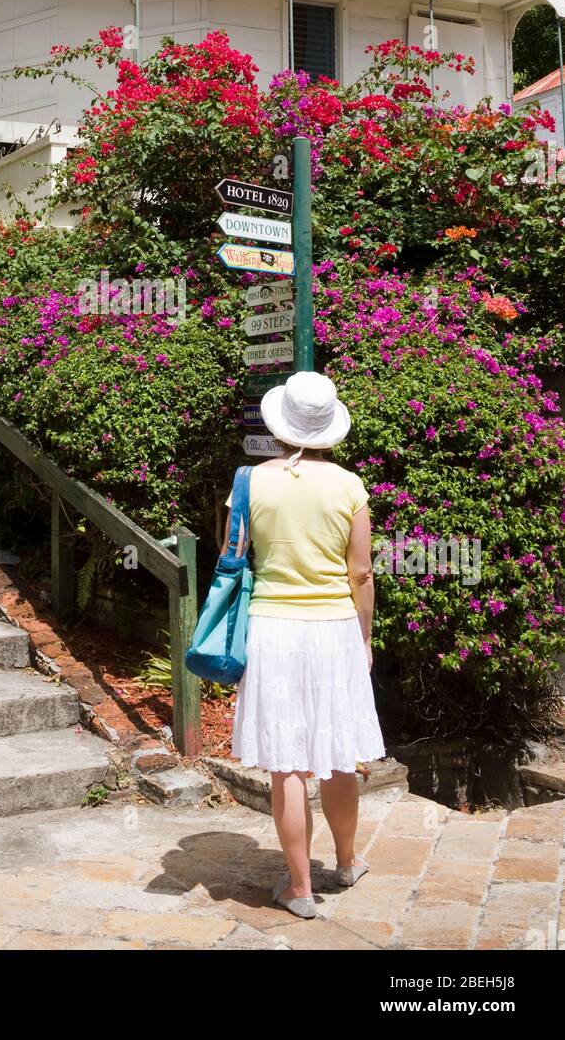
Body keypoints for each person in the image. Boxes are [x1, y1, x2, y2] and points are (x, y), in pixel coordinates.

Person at [223, 370, 386, 919]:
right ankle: (347, 861)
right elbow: (360, 573)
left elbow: (232, 557)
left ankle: (299, 887)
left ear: (281, 425)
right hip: (334, 628)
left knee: (287, 764)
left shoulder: (249, 482)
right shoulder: (349, 486)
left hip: (272, 628)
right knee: (339, 756)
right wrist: (364, 637)